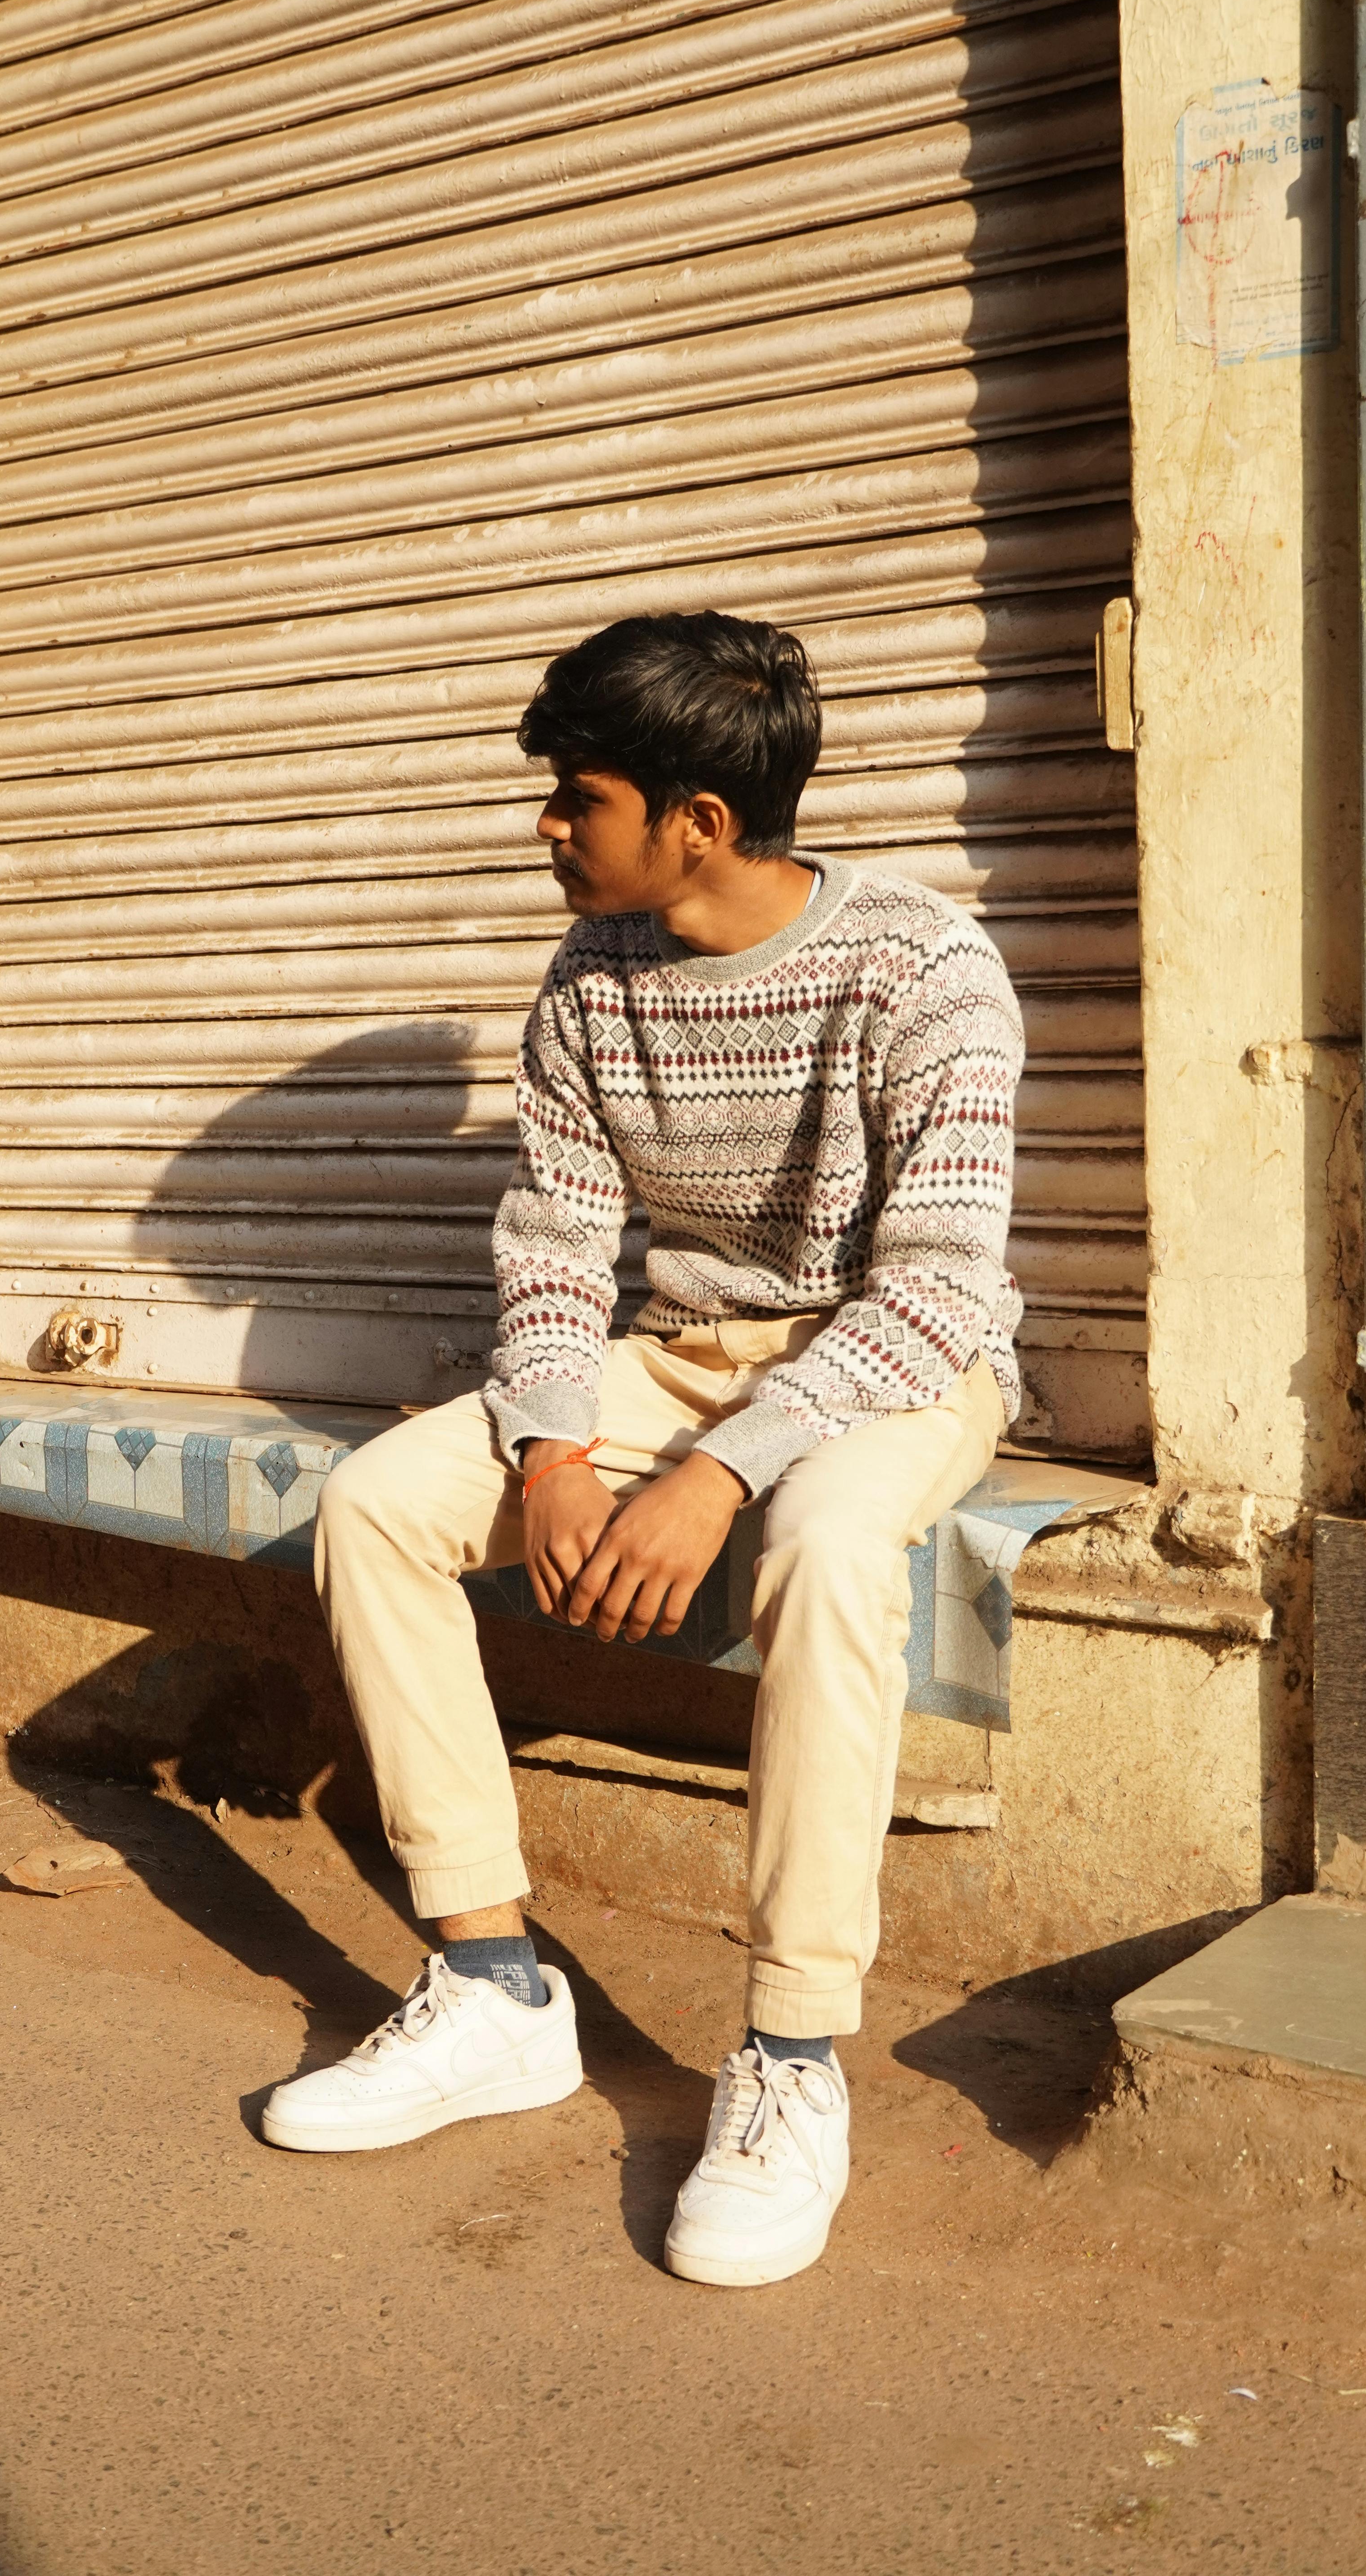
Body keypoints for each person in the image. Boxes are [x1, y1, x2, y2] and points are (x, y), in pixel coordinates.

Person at [263, 610, 1022, 2289]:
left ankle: (794, 2059)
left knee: (830, 1548)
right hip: (671, 1362)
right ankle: (493, 1986)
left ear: (700, 821)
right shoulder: (592, 978)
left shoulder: (927, 967)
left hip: (898, 1365)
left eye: (578, 796)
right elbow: (553, 1247)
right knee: (377, 1501)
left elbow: (939, 1287)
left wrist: (723, 1471)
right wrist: (552, 1452)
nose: (547, 825)